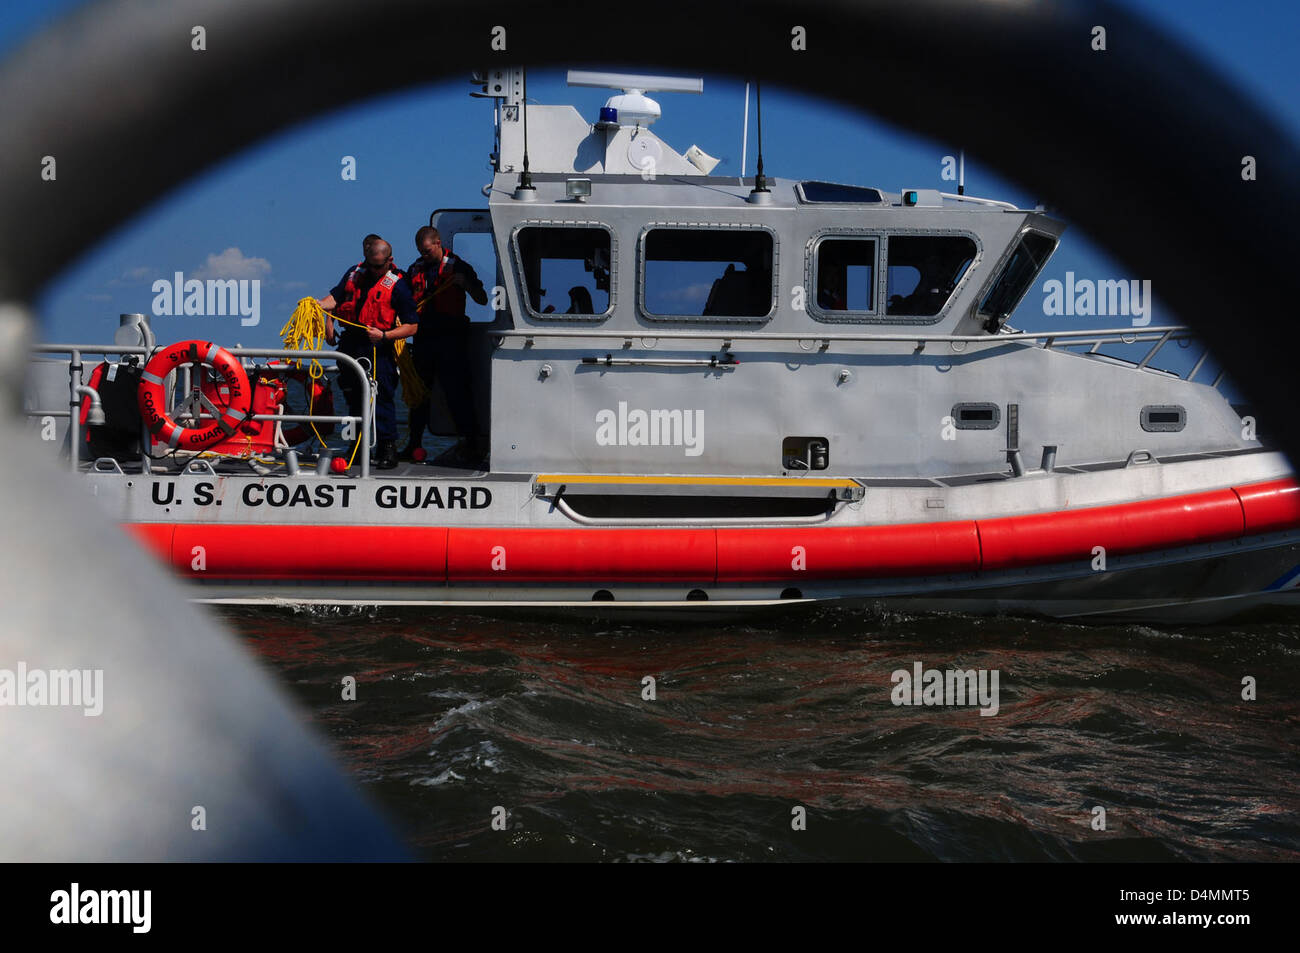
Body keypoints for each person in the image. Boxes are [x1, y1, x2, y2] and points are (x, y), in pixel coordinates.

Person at [316, 237, 419, 469]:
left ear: (389, 261)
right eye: (370, 265)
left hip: (378, 346)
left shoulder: (398, 284)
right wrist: (318, 308)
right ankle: (356, 446)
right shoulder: (354, 273)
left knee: (381, 398)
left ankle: (387, 448)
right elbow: (336, 298)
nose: (373, 270)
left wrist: (385, 336)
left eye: (378, 266)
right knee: (353, 398)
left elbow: (412, 326)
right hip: (351, 343)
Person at [403, 225, 489, 467]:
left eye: (428, 251)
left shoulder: (459, 267)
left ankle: (471, 443)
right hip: (424, 338)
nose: (424, 255)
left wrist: (465, 284)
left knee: (457, 393)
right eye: (421, 251)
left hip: (451, 338)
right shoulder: (415, 269)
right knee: (418, 395)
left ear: (438, 243)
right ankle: (414, 444)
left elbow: (482, 299)